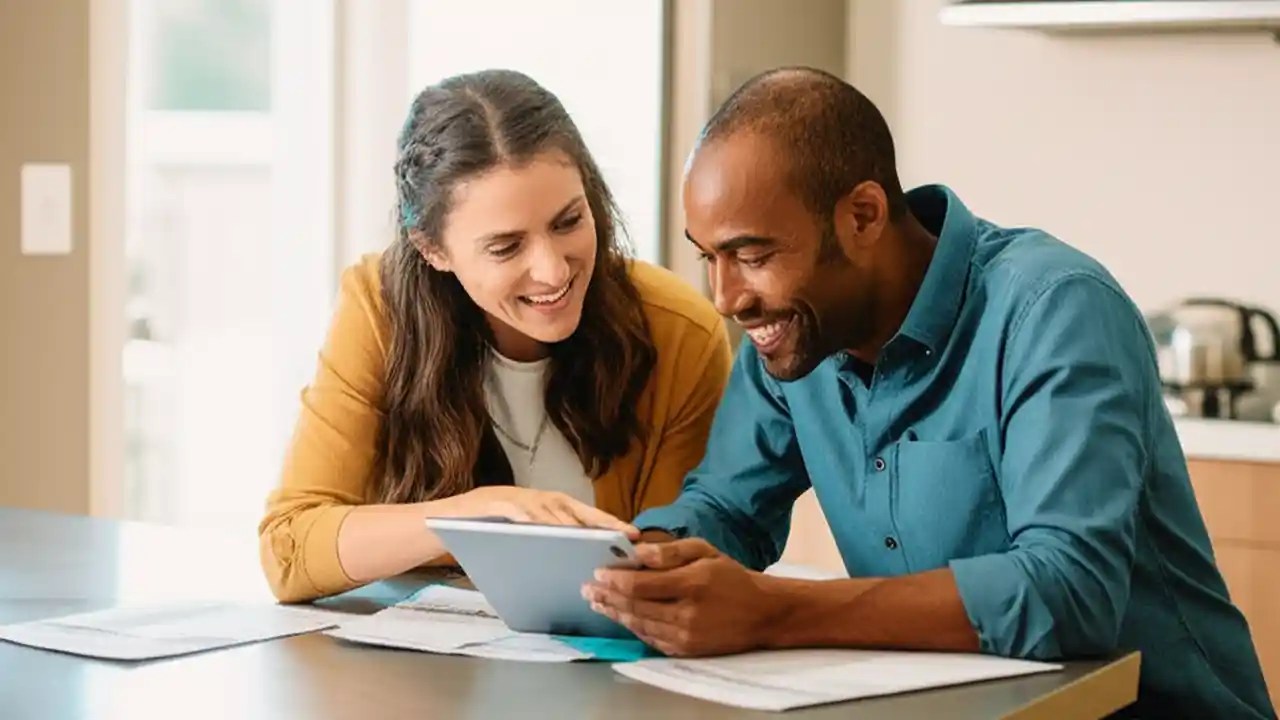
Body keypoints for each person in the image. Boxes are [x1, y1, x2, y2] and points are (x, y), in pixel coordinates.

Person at [582, 67, 1276, 719]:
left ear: (862, 216)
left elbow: (1069, 592)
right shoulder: (797, 336)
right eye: (709, 257)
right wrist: (641, 566)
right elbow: (726, 509)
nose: (727, 298)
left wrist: (773, 609)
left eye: (753, 256)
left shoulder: (1055, 310)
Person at [258, 69, 731, 604]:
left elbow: (673, 564)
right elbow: (289, 550)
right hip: (423, 657)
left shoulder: (680, 332)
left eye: (568, 222)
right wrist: (468, 517)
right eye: (506, 247)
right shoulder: (378, 309)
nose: (553, 271)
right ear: (432, 249)